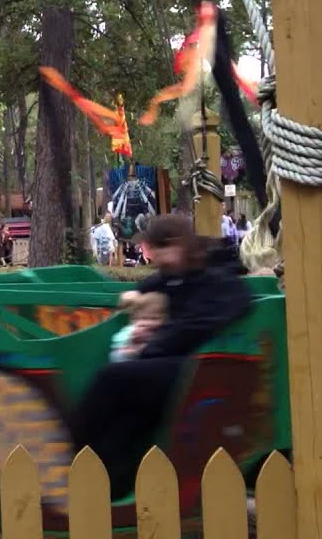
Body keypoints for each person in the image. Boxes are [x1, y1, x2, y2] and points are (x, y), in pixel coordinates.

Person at [75, 213, 251, 498]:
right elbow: (145, 291)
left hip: (200, 369)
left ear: (182, 244)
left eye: (165, 248)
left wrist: (150, 347)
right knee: (129, 416)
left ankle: (72, 455)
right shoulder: (171, 277)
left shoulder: (217, 278)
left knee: (111, 380)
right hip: (168, 364)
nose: (159, 258)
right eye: (156, 250)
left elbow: (197, 325)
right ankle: (108, 486)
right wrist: (135, 300)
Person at [108, 291, 167, 362]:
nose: (148, 323)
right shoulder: (134, 329)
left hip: (154, 358)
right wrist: (133, 342)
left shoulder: (166, 330)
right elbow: (121, 345)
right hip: (133, 358)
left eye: (154, 318)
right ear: (135, 319)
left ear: (165, 318)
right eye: (143, 319)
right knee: (117, 355)